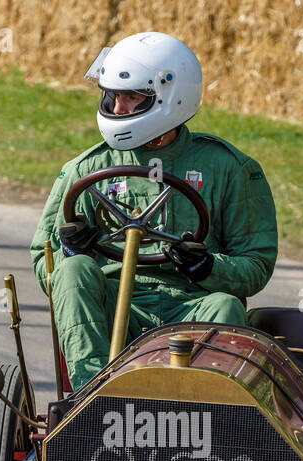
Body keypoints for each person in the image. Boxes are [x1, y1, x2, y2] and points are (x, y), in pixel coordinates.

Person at [30, 32, 278, 389]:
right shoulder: (85, 169)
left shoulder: (229, 168)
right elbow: (44, 257)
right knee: (73, 271)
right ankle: (92, 394)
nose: (117, 109)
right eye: (112, 96)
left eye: (131, 98)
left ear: (170, 98)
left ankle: (204, 409)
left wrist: (209, 266)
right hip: (115, 304)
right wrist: (72, 250)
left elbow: (255, 265)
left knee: (226, 306)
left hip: (191, 305)